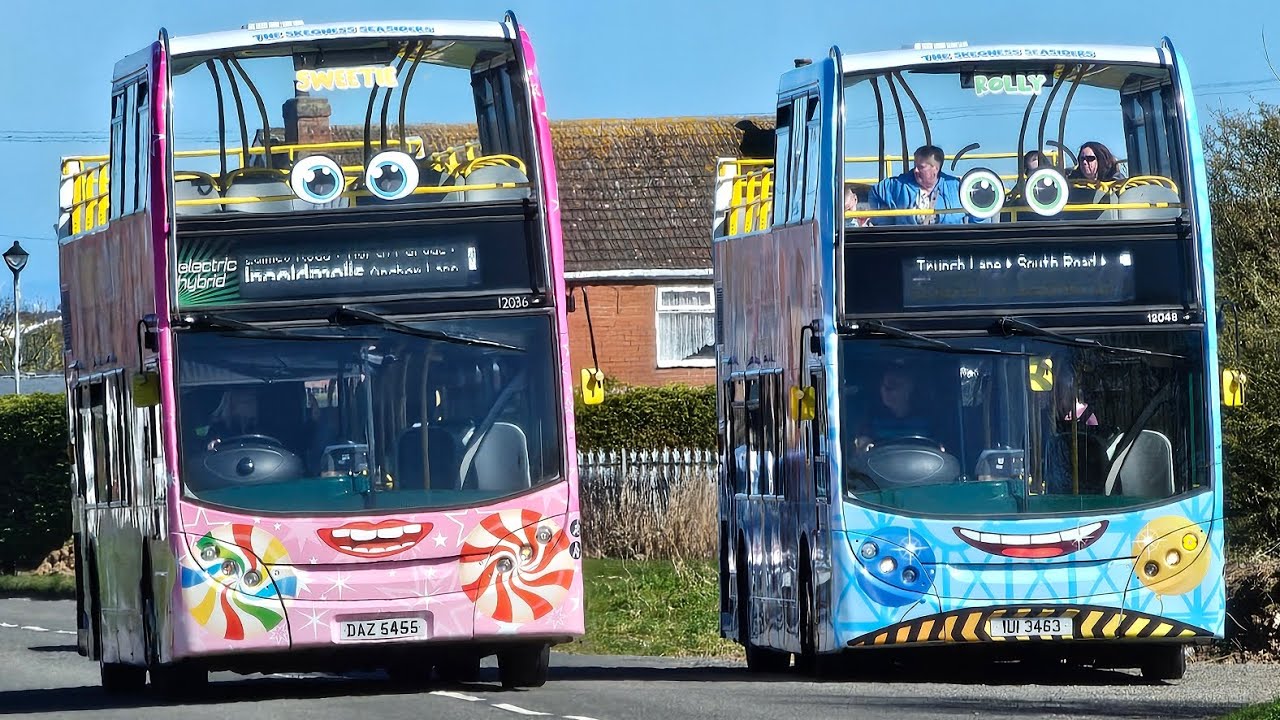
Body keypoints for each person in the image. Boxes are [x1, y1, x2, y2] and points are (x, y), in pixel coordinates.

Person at [864, 144, 984, 225]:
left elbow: (980, 211)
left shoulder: (956, 188)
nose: (915, 170)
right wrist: (886, 226)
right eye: (915, 165)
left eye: (921, 167)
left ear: (935, 169)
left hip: (947, 248)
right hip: (907, 247)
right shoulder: (898, 185)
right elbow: (875, 192)